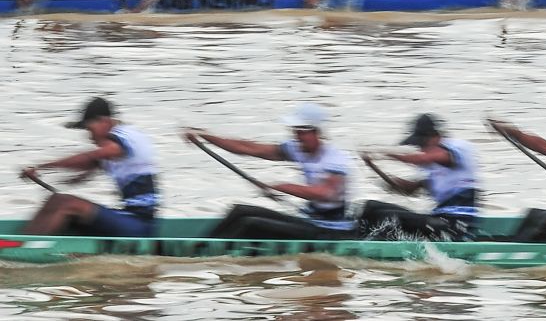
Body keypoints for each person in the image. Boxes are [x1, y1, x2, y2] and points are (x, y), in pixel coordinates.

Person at [186, 103, 356, 239]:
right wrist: (205, 136)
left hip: (332, 231)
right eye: (295, 131)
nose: (296, 137)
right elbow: (248, 148)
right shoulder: (299, 149)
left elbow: (323, 193)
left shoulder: (335, 160)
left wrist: (277, 187)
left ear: (316, 132)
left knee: (250, 223)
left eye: (301, 132)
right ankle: (201, 247)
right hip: (310, 219)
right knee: (240, 211)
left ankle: (205, 255)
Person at [20, 97, 159, 237]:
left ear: (104, 121)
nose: (90, 137)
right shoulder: (113, 149)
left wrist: (41, 167)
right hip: (127, 218)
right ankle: (26, 241)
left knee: (64, 202)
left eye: (90, 129)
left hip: (139, 225)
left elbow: (89, 157)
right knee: (56, 202)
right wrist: (59, 179)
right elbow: (83, 168)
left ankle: (25, 245)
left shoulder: (126, 136)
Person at [360, 114, 479, 241]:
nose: (420, 148)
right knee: (370, 207)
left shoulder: (457, 148)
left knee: (388, 217)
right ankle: (357, 243)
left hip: (456, 226)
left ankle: (372, 247)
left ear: (433, 137)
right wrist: (374, 168)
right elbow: (406, 189)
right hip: (437, 220)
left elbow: (424, 158)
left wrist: (383, 154)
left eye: (421, 143)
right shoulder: (430, 167)